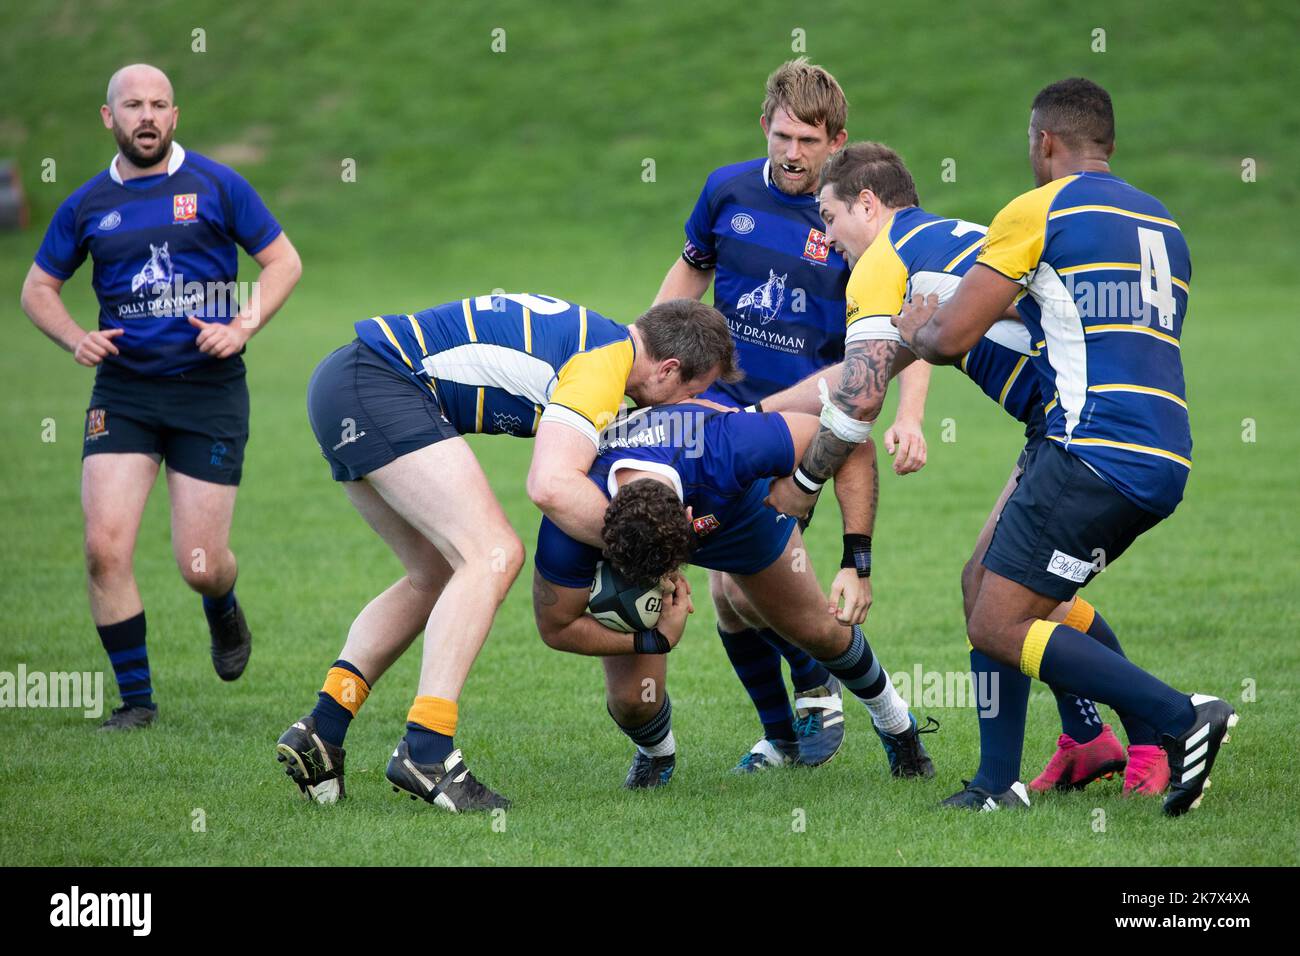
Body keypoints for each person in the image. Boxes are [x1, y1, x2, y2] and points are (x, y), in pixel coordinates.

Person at [762, 141, 1170, 797]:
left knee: (998, 600)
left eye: (830, 215)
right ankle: (1084, 741)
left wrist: (803, 483)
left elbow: (859, 401)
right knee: (997, 589)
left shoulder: (879, 262)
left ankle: (1155, 731)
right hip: (1069, 417)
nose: (827, 234)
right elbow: (861, 374)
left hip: (1074, 431)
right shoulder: (944, 240)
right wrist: (758, 411)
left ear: (867, 204)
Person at [893, 78, 1233, 816]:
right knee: (983, 581)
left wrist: (915, 323)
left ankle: (1180, 717)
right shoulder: (1163, 224)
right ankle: (996, 785)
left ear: (1045, 143)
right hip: (1163, 452)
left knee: (998, 621)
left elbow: (951, 339)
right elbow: (1085, 313)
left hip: (1091, 448)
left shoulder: (1038, 209)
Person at [275, 293, 738, 812]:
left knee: (432, 575)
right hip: (379, 384)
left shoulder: (602, 345)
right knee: (492, 552)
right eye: (687, 394)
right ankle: (427, 750)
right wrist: (650, 557)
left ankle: (324, 725)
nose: (675, 410)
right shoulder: (602, 366)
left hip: (347, 382)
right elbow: (551, 485)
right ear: (668, 369)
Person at [653, 57, 933, 770]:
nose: (793, 153)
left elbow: (915, 324)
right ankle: (795, 723)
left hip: (800, 428)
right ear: (764, 128)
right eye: (782, 136)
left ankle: (819, 701)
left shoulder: (854, 216)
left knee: (739, 589)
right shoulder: (727, 190)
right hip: (716, 413)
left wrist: (911, 414)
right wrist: (646, 354)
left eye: (810, 141)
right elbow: (693, 267)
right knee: (730, 599)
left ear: (838, 140)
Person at [20, 63, 302, 730]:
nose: (145, 116)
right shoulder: (86, 204)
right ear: (108, 117)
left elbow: (283, 261)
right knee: (104, 549)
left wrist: (241, 327)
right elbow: (37, 289)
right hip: (123, 393)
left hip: (208, 395)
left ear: (174, 116)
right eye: (132, 105)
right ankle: (137, 702)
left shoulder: (216, 184)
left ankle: (221, 606)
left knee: (199, 566)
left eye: (158, 105)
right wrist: (73, 338)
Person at [532, 403, 935, 787]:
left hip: (740, 513)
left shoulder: (726, 443)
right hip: (641, 536)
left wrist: (855, 561)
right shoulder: (571, 519)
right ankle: (656, 755)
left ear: (691, 518)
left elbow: (851, 442)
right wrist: (651, 639)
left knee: (819, 631)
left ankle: (897, 724)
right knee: (633, 700)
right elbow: (556, 628)